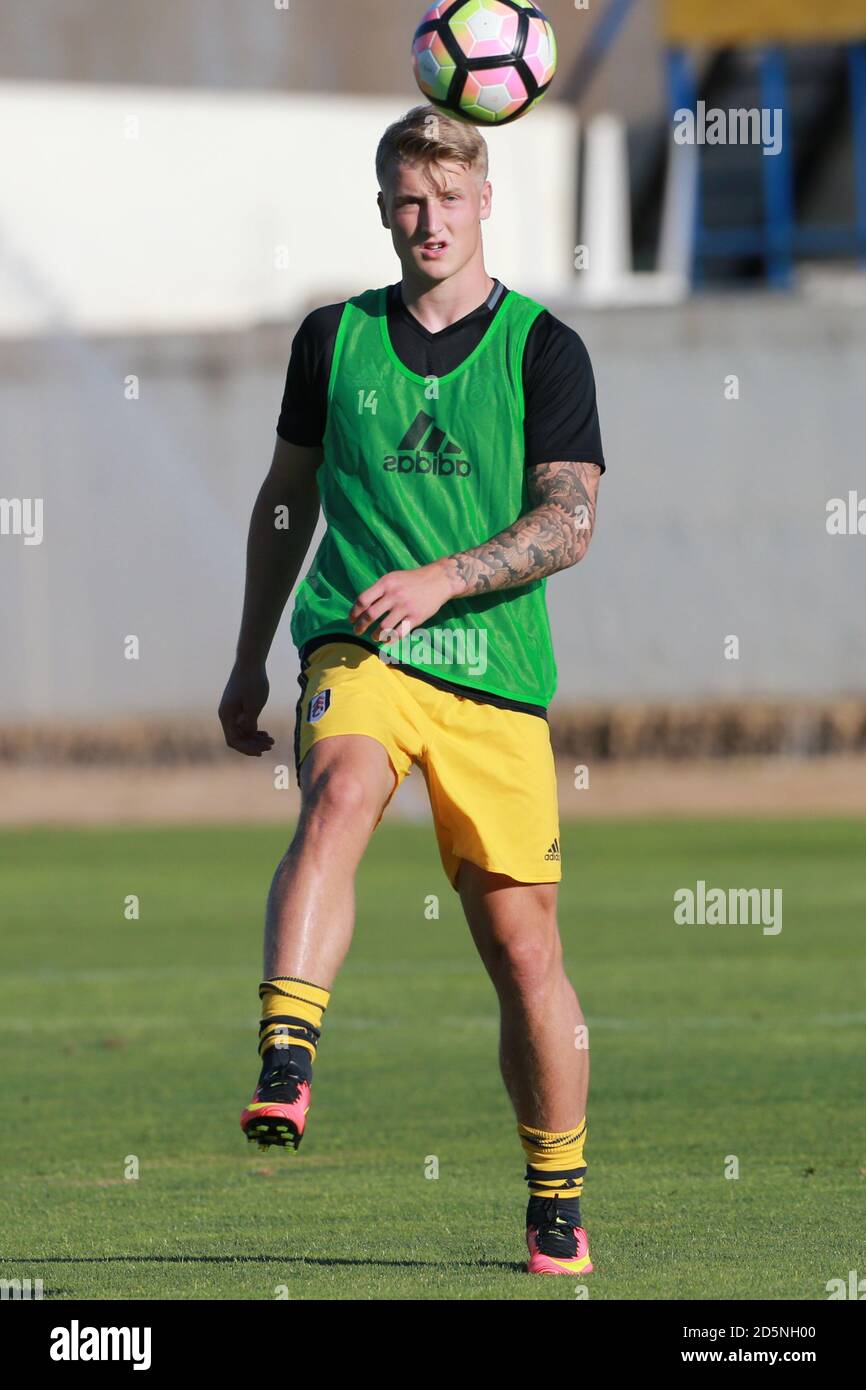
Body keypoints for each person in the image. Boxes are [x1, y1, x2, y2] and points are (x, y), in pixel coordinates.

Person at [219, 105, 605, 1276]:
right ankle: (287, 1053)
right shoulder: (331, 340)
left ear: (484, 200)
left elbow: (569, 520)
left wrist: (445, 578)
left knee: (522, 947)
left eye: (446, 195)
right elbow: (286, 503)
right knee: (336, 790)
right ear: (382, 205)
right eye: (405, 196)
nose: (426, 218)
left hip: (493, 681)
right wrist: (248, 657)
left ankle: (554, 1197)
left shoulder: (543, 349)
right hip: (358, 647)